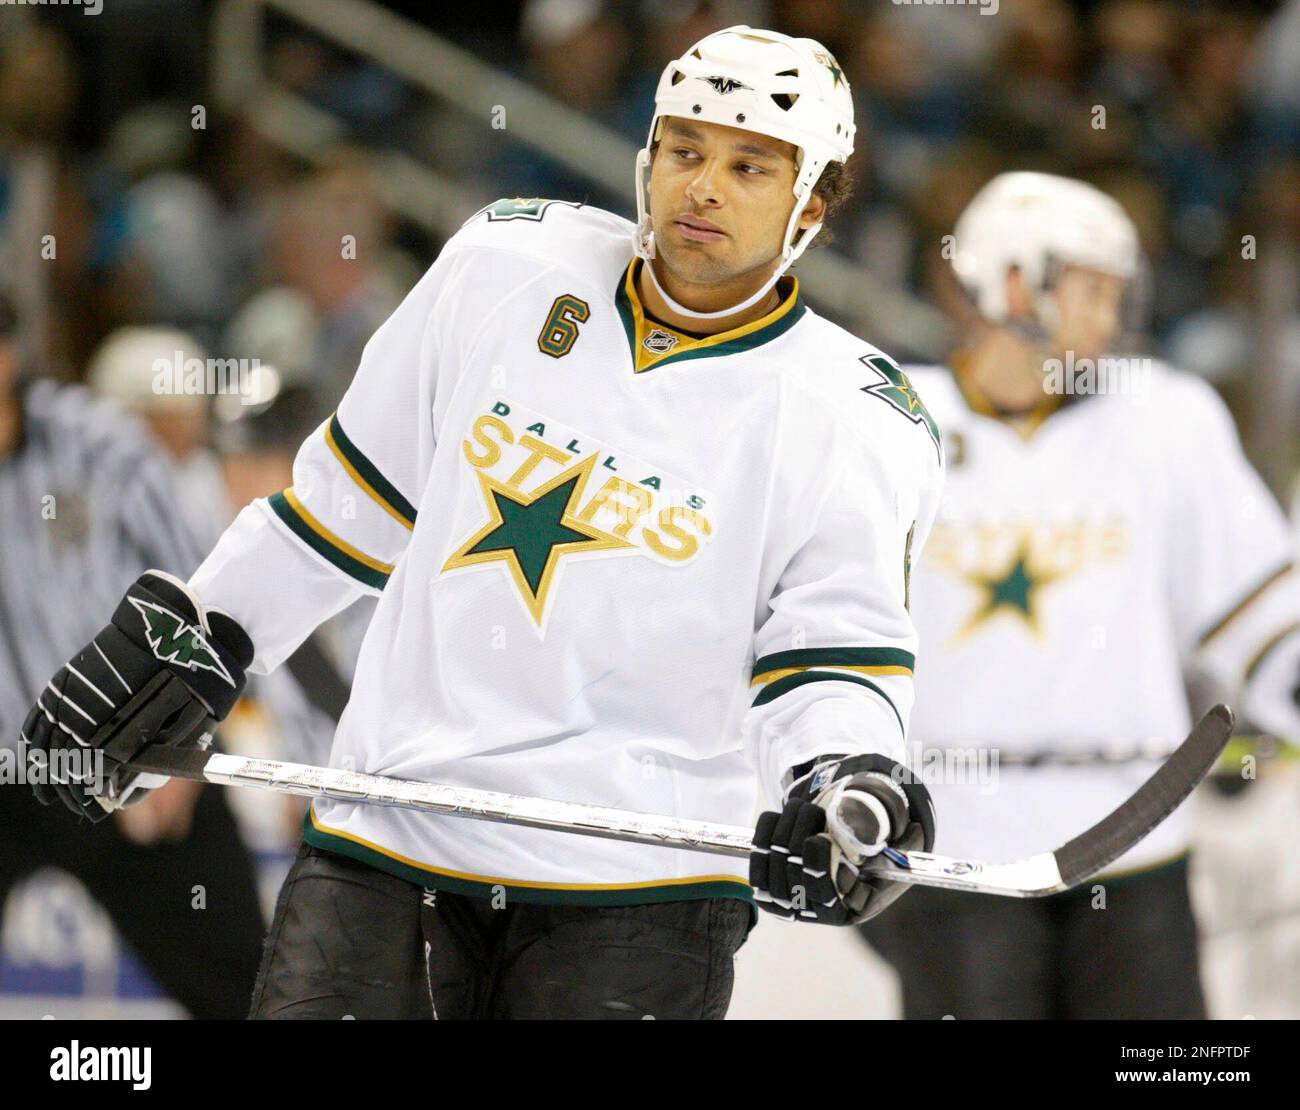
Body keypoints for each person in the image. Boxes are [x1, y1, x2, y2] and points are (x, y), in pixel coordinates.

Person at [23, 27, 944, 1020]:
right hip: (390, 838)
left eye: (748, 165)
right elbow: (341, 511)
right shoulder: (504, 263)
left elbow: (829, 662)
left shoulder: (856, 415)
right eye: (684, 149)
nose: (702, 187)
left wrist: (844, 777)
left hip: (640, 891)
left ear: (811, 201)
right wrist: (208, 632)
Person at [859, 172, 1300, 1019]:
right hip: (958, 848)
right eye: (1090, 292)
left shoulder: (1167, 418)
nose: (1109, 320)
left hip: (1135, 842)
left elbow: (1262, 624)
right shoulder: (891, 421)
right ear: (1012, 281)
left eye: (1116, 296)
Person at [0, 293, 264, 1019]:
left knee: (242, 985)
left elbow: (203, 597)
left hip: (121, 749)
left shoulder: (100, 444)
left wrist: (186, 747)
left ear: (10, 353)